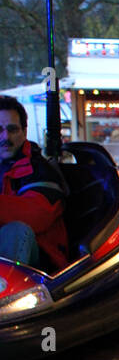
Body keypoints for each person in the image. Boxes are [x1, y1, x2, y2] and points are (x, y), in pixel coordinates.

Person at [0, 95, 69, 270]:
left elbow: (35, 216)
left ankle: (7, 296)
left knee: (16, 230)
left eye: (12, 129)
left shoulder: (40, 169)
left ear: (24, 131)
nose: (5, 137)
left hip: (42, 264)